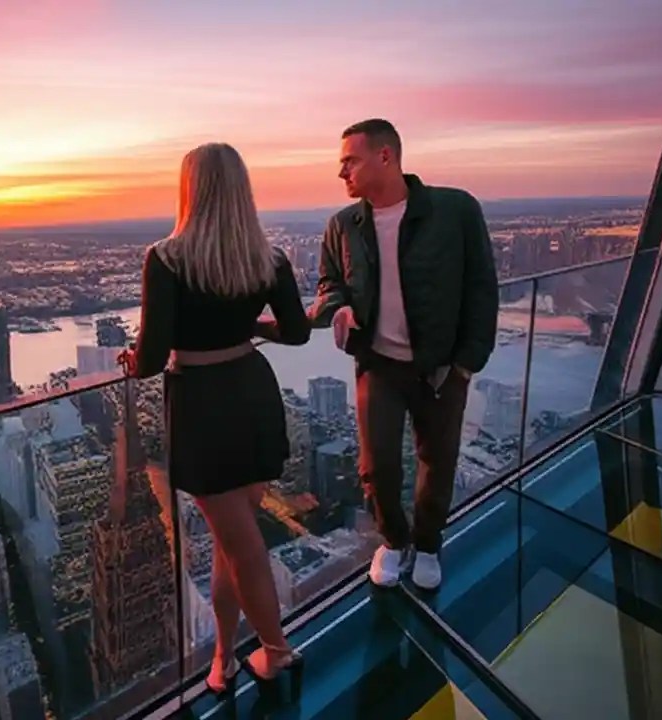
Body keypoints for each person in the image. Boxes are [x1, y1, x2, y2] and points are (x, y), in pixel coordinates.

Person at [120, 142, 310, 703]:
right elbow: (298, 331)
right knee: (232, 542)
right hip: (252, 392)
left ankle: (276, 651)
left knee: (241, 544)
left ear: (190, 189)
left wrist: (131, 362)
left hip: (203, 406)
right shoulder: (268, 257)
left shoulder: (167, 258)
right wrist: (253, 329)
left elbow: (152, 358)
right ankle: (225, 656)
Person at [308, 119, 498, 591]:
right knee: (377, 468)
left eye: (349, 161)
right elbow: (329, 284)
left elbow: (481, 286)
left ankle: (429, 543)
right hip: (378, 365)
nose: (341, 173)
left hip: (441, 367)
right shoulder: (342, 225)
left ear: (386, 157)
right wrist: (338, 308)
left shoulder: (454, 210)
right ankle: (394, 541)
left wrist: (466, 363)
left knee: (438, 461)